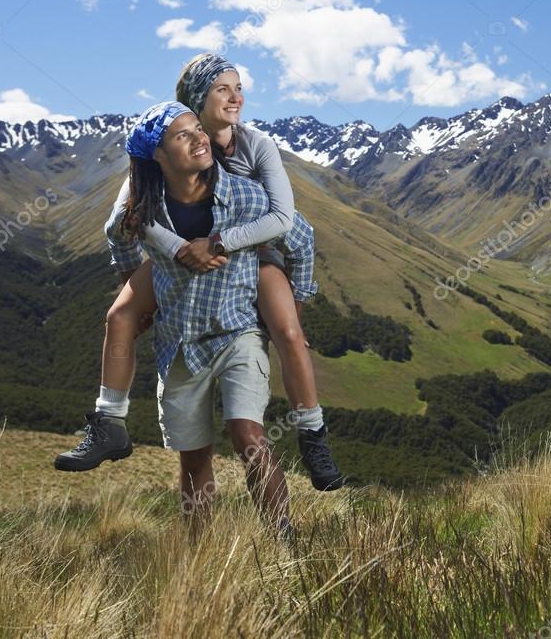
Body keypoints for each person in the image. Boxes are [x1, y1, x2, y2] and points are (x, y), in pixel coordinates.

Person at [54, 54, 342, 491]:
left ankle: (312, 433)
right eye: (222, 89)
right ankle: (109, 421)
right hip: (182, 253)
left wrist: (229, 248)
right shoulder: (169, 136)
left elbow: (287, 222)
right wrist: (162, 258)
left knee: (287, 329)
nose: (235, 98)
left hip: (255, 250)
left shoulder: (253, 146)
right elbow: (125, 218)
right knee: (120, 316)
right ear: (194, 101)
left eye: (238, 88)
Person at [97, 101, 291, 532]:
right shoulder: (146, 208)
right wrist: (134, 284)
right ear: (159, 158)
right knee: (194, 458)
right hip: (179, 340)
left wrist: (293, 307)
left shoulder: (245, 195)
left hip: (237, 330)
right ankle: (199, 555)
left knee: (248, 435)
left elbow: (290, 227)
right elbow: (118, 234)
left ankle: (284, 542)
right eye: (181, 136)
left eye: (196, 128)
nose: (199, 137)